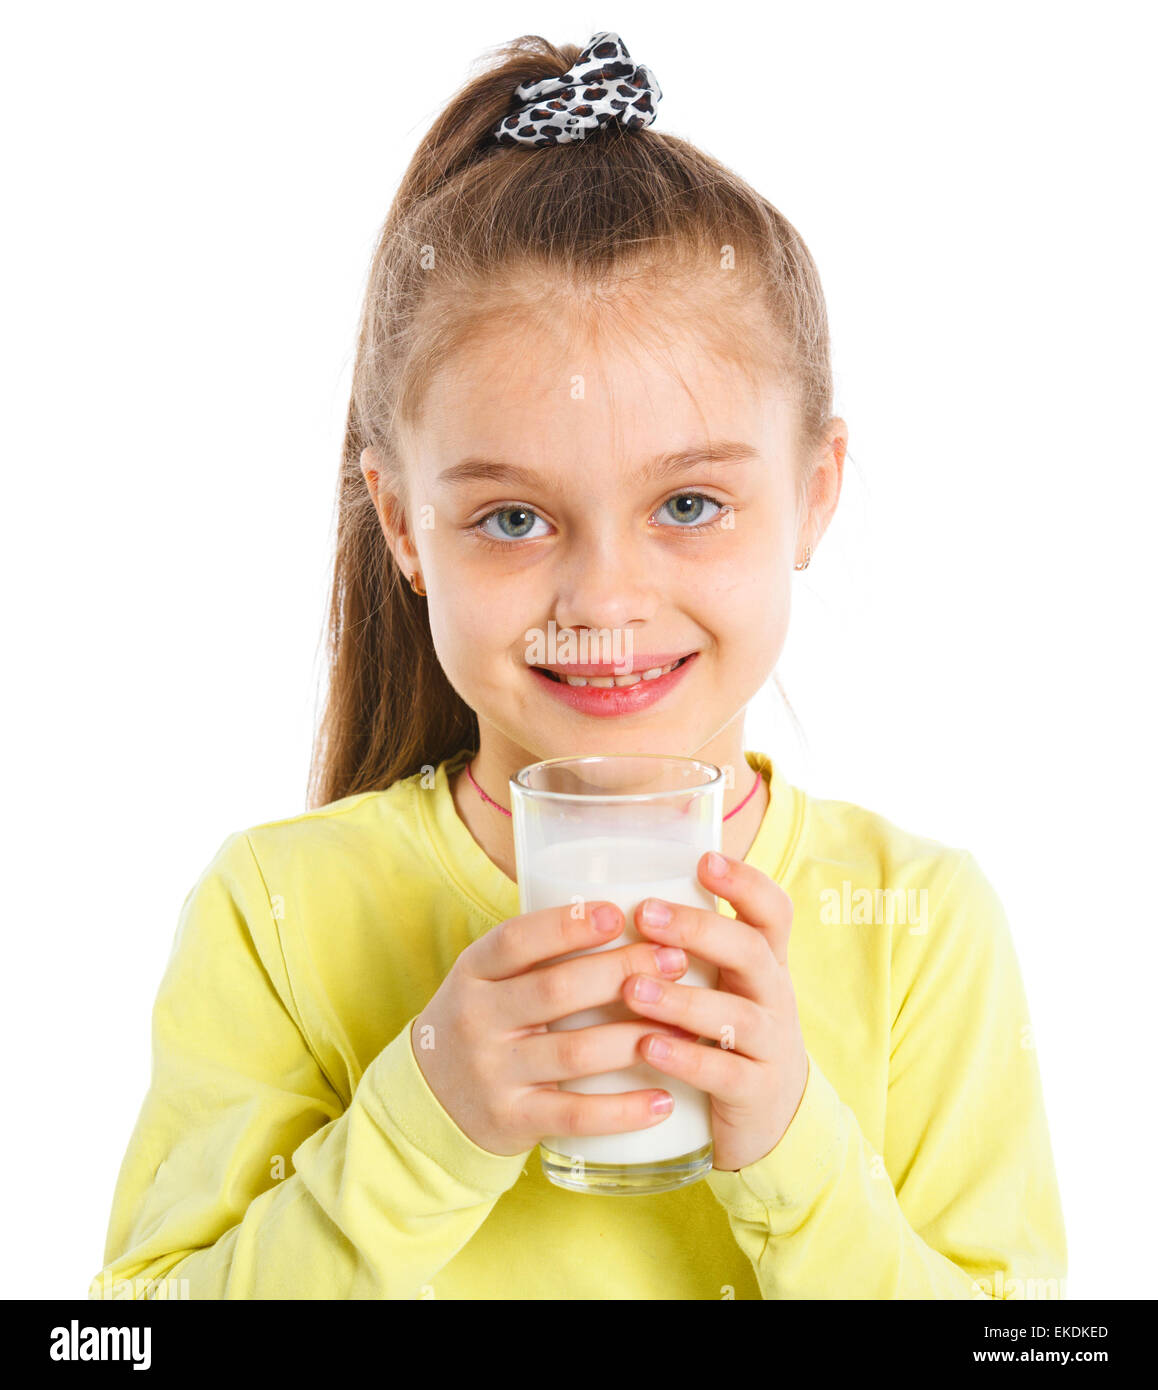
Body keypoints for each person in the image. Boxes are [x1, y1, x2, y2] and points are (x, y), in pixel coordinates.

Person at [90, 31, 1065, 1300]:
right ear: (402, 527)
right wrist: (422, 1125)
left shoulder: (923, 925)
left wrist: (794, 1151)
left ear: (815, 494)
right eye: (513, 518)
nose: (605, 600)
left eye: (692, 504)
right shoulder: (275, 909)